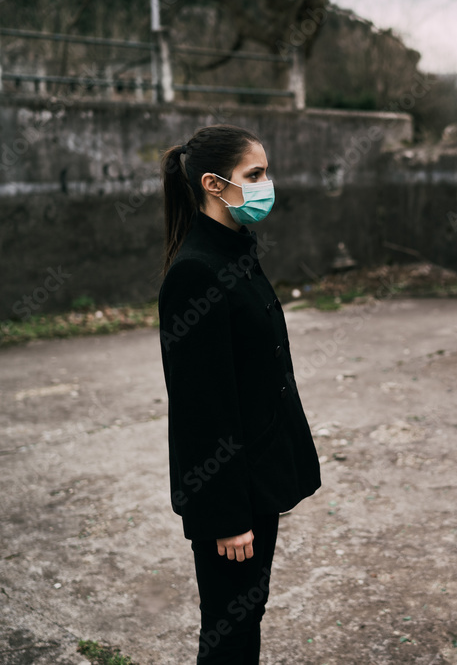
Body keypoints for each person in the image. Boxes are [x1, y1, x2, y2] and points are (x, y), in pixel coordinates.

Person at [157, 124, 321, 664]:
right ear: (213, 183)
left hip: (257, 478)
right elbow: (200, 409)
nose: (266, 184)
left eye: (265, 173)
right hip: (231, 496)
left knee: (247, 615)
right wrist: (225, 518)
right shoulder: (196, 273)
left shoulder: (236, 251)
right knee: (228, 631)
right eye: (254, 175)